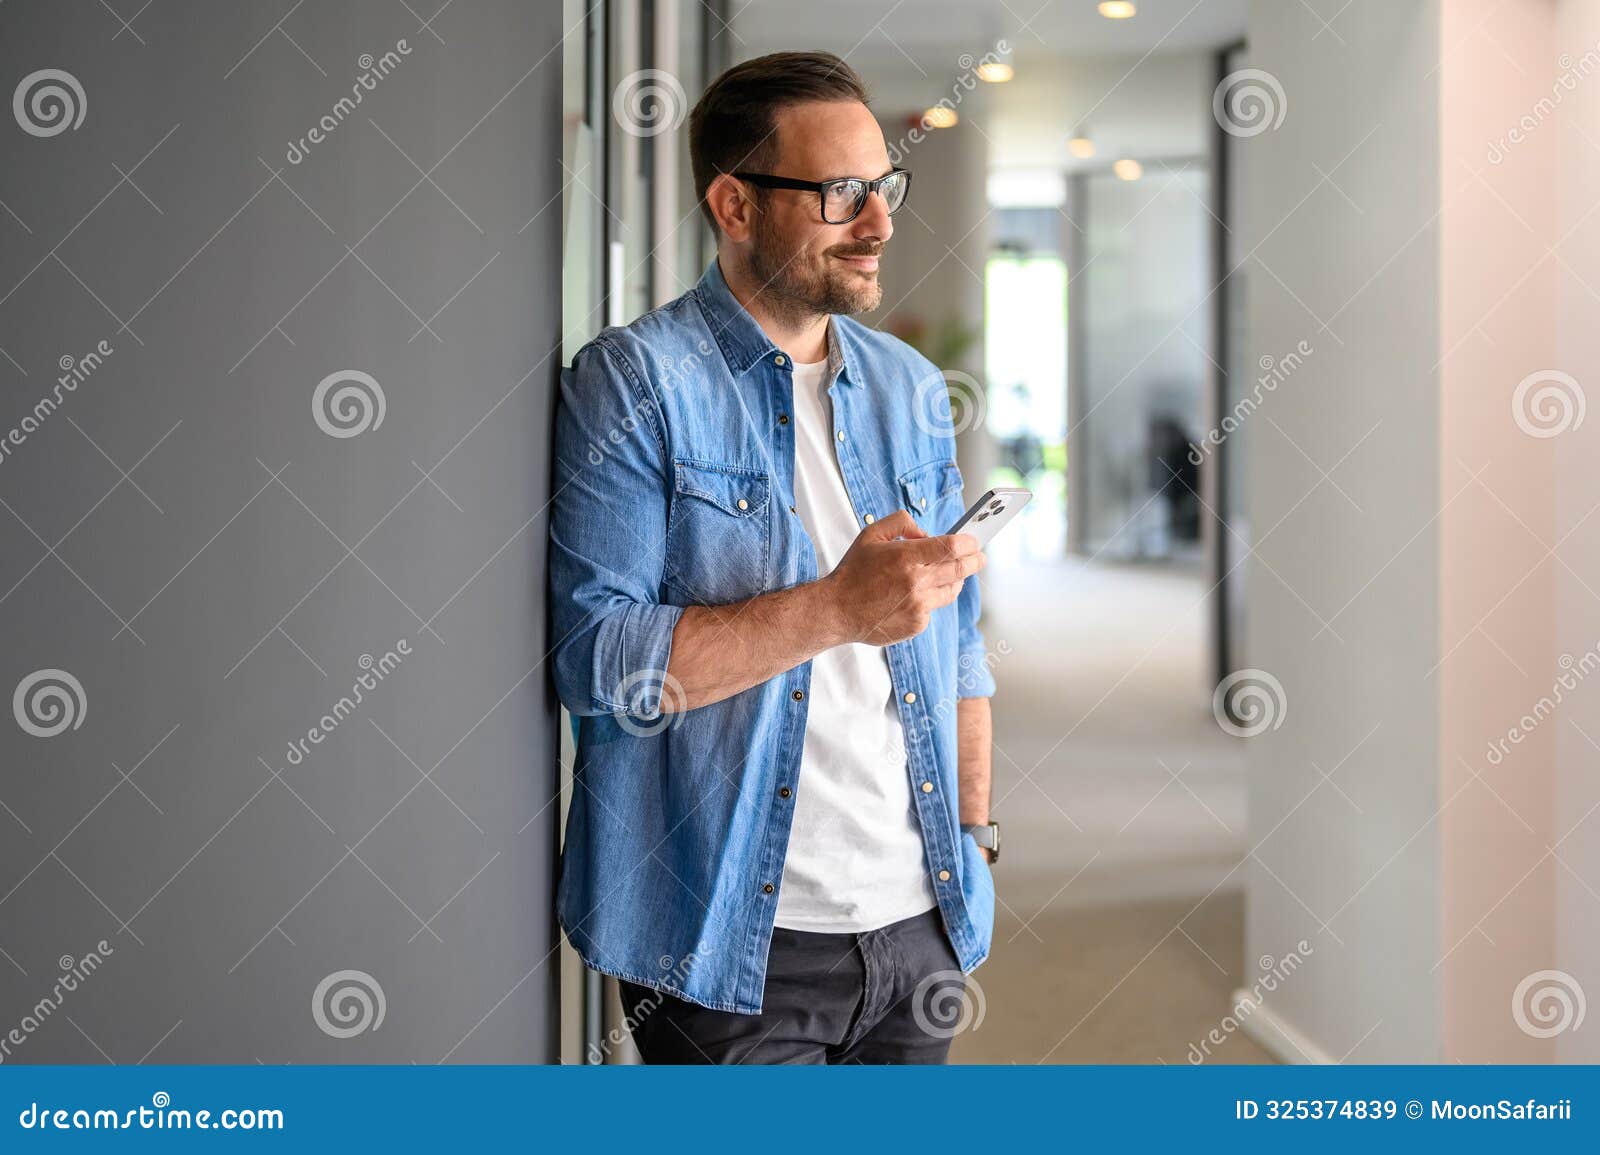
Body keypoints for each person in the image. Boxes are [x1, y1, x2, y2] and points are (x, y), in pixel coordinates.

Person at [549, 50, 1000, 1064]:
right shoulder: (636, 383)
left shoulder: (908, 387)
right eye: (841, 194)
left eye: (883, 187)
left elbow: (960, 644)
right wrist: (836, 609)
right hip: (731, 943)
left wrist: (975, 837)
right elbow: (599, 663)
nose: (879, 223)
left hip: (919, 920)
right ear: (736, 206)